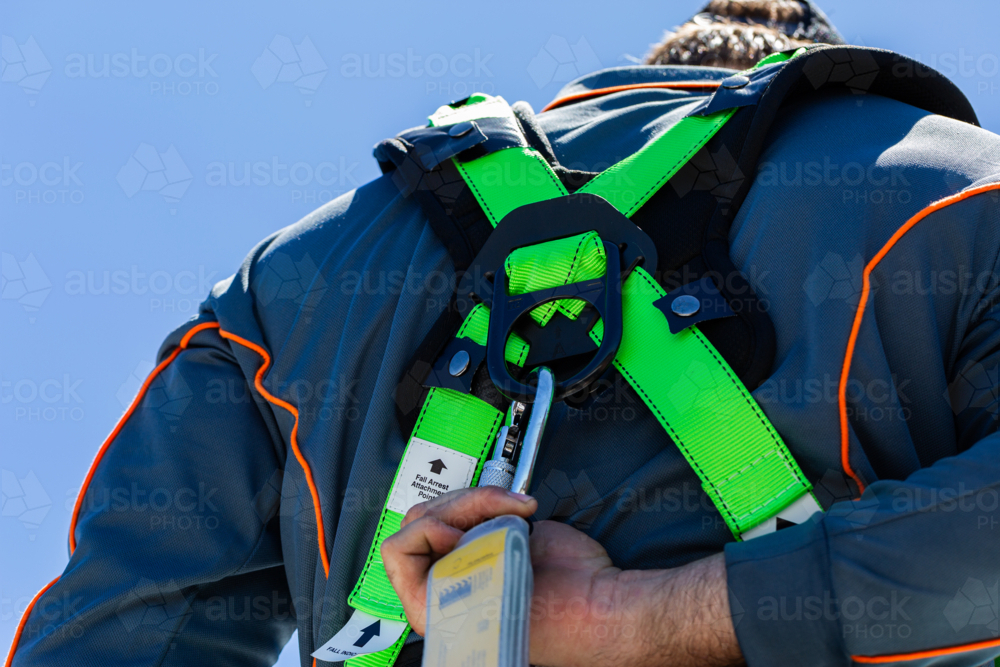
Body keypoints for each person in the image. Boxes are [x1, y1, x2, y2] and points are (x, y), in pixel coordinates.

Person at [8, 2, 1000, 666]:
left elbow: (113, 639)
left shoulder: (277, 291)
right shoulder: (959, 186)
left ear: (626, 84)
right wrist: (643, 621)